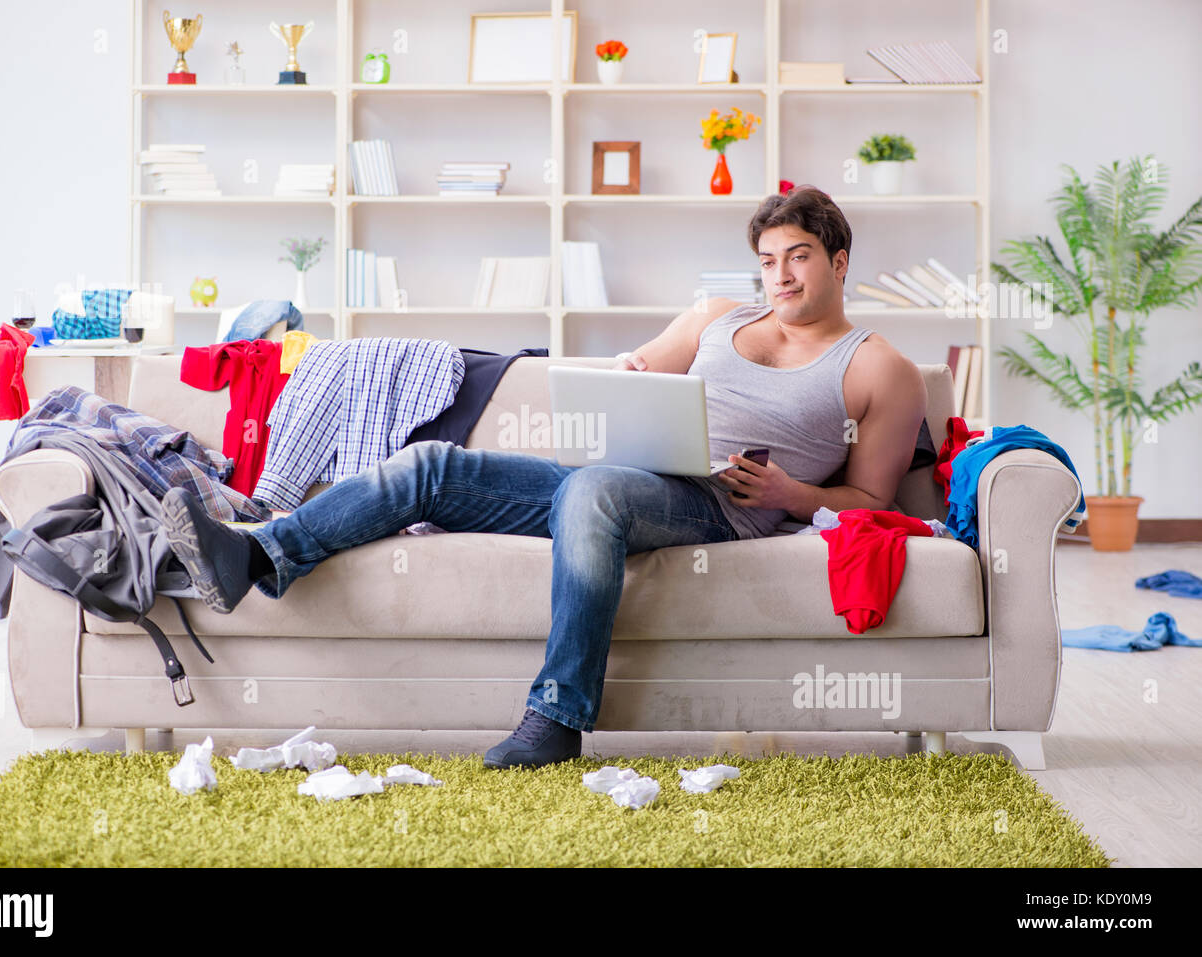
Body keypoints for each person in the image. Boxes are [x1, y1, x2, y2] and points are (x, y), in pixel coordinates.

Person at [159, 185, 928, 770]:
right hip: (624, 473)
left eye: (797, 257)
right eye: (768, 260)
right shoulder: (717, 316)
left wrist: (793, 495)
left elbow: (871, 499)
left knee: (592, 491)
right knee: (433, 467)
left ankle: (557, 718)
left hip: (721, 508)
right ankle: (256, 557)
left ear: (838, 261)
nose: (781, 276)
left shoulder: (879, 367)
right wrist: (628, 373)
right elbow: (641, 376)